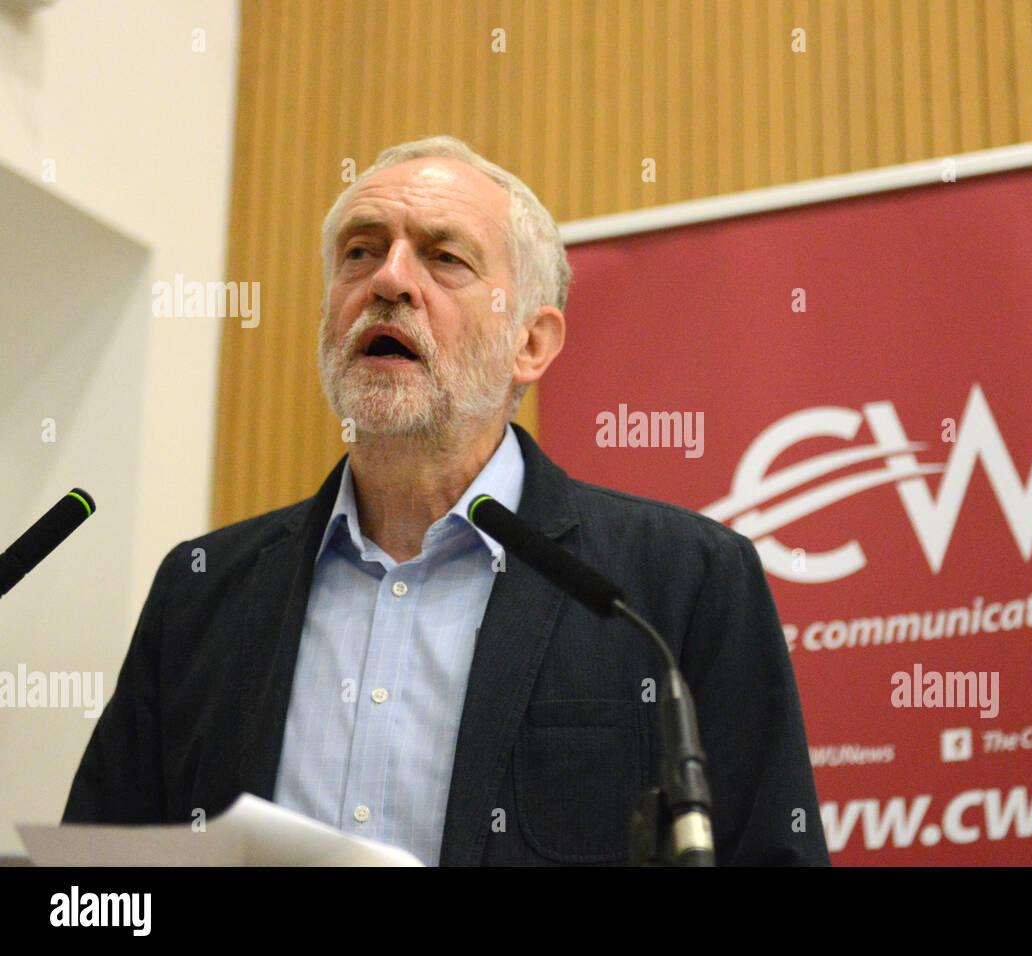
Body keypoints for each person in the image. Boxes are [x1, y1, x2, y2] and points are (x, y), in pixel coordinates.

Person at [63, 136, 830, 866]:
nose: (388, 281)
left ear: (531, 344)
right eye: (360, 252)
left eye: (445, 258)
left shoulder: (676, 588)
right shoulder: (202, 589)